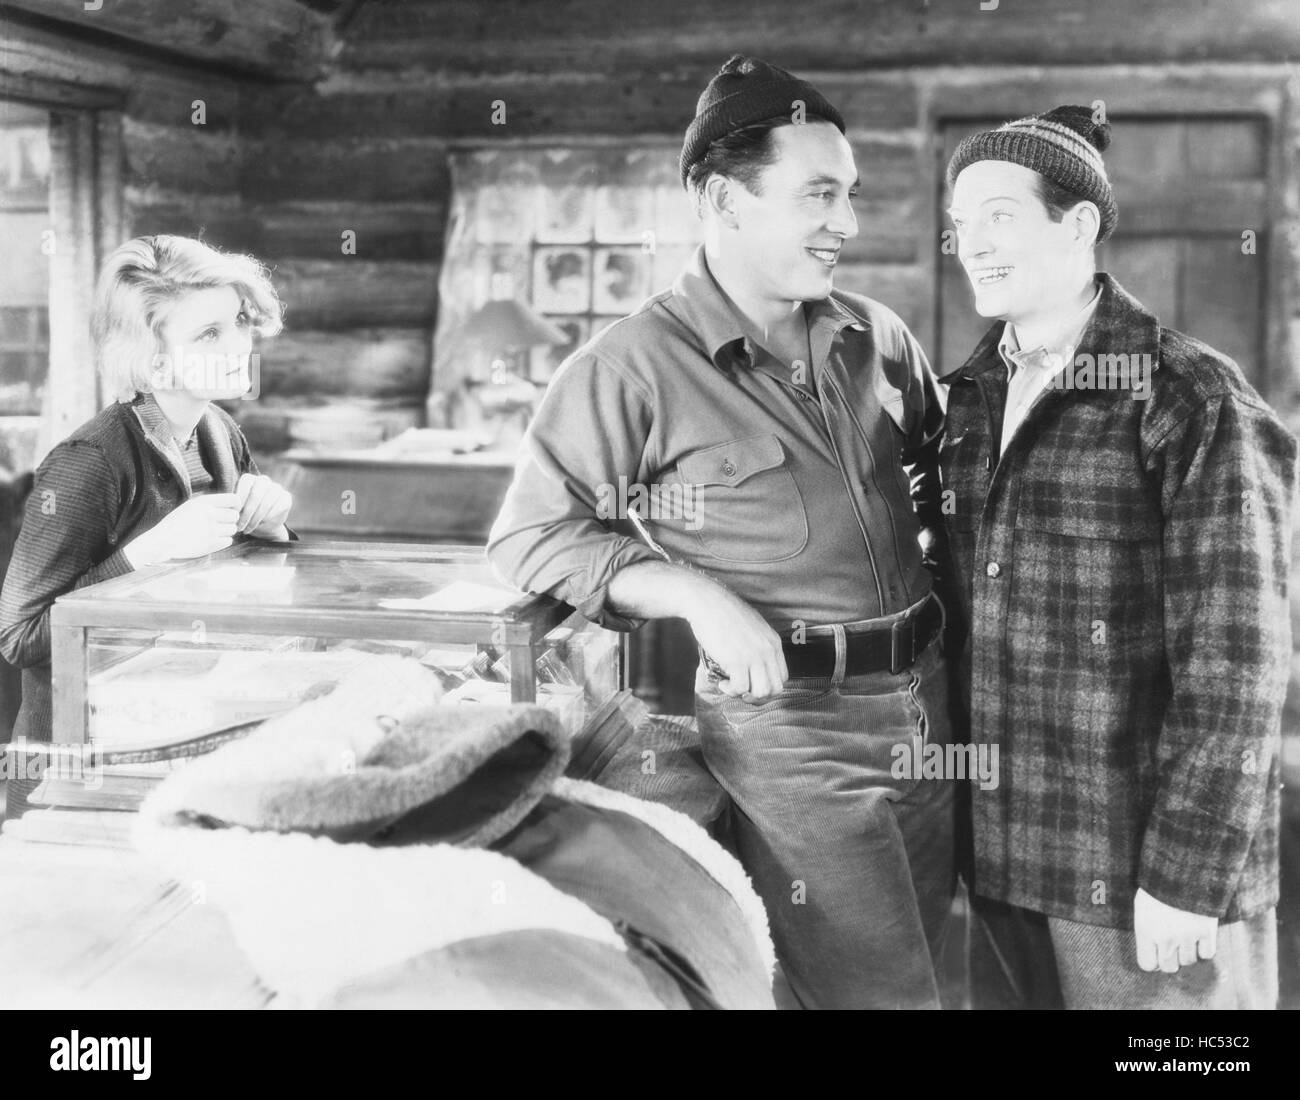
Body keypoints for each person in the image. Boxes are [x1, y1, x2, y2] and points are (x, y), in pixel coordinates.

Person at [488, 55, 955, 1009]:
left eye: (851, 194)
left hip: (930, 704)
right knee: (886, 996)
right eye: (819, 195)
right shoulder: (630, 367)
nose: (849, 225)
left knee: (931, 962)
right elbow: (533, 534)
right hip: (795, 733)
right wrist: (692, 593)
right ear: (722, 199)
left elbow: (943, 481)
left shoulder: (877, 336)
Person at [940, 106, 1297, 1008]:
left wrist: (1188, 870)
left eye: (998, 217)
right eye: (958, 225)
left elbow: (1240, 658)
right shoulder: (968, 399)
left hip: (1145, 876)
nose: (970, 244)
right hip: (1005, 861)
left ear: (1080, 224)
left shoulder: (1191, 397)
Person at [0, 234, 294, 746]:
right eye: (209, 334)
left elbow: (241, 587)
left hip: (189, 724)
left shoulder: (218, 430)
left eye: (240, 322)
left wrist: (274, 530)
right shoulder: (89, 463)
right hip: (82, 759)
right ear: (154, 361)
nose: (240, 346)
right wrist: (145, 555)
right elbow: (20, 638)